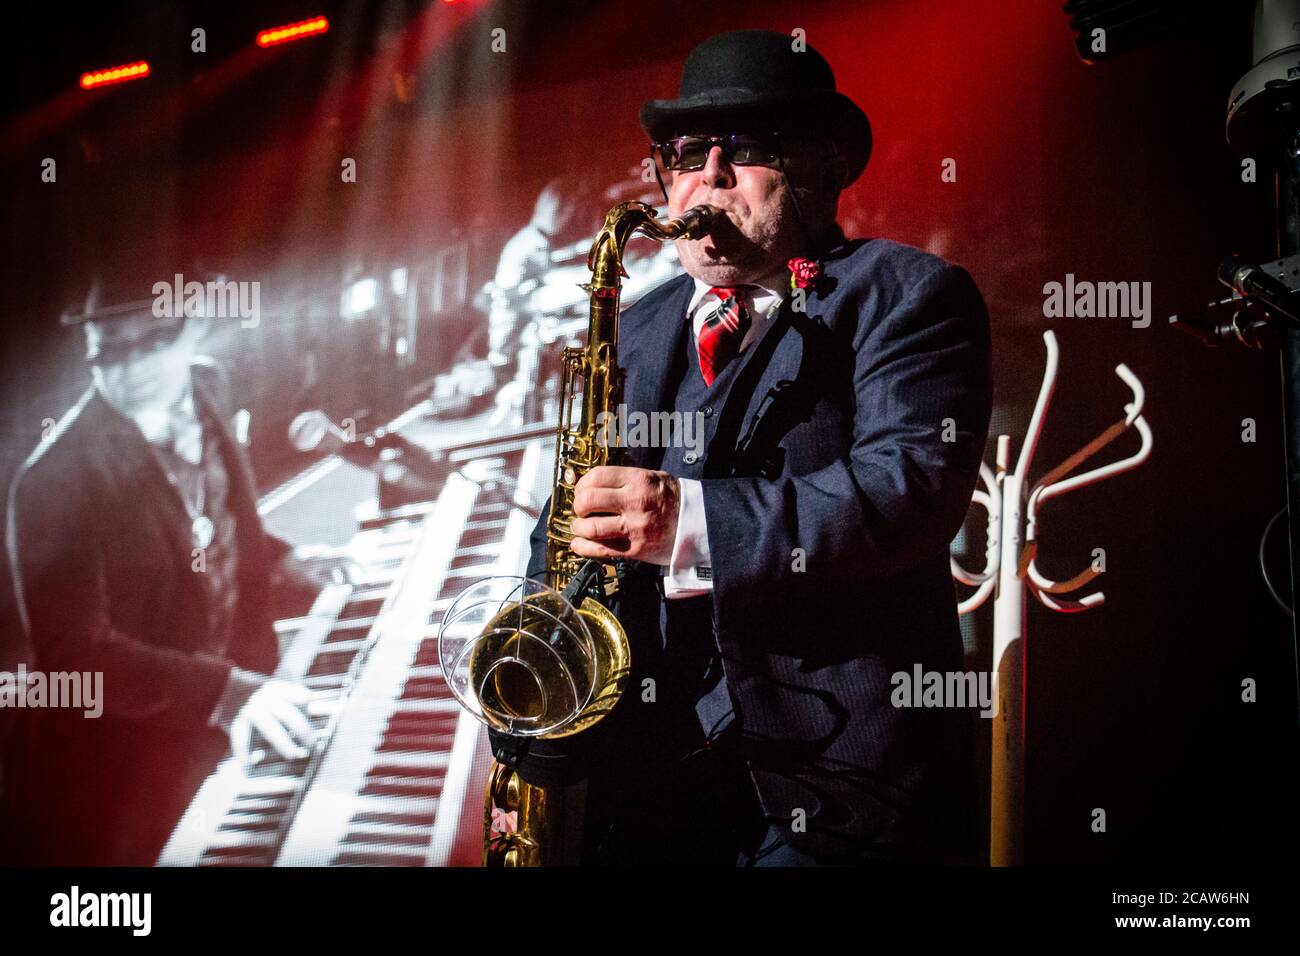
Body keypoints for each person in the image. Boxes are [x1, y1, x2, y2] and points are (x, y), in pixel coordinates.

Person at [520, 30, 993, 865]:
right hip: (651, 781)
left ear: (818, 166)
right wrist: (540, 664)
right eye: (683, 153)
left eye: (742, 150)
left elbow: (907, 488)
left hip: (842, 781)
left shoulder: (909, 295)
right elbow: (574, 522)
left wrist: (688, 522)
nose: (706, 177)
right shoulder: (633, 330)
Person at [2, 275, 340, 865]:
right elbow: (76, 657)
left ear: (194, 328)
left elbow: (221, 510)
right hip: (128, 765)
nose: (133, 365)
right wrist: (225, 692)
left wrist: (285, 558)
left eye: (154, 338)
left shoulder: (207, 384)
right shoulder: (51, 482)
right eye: (109, 350)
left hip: (231, 711)